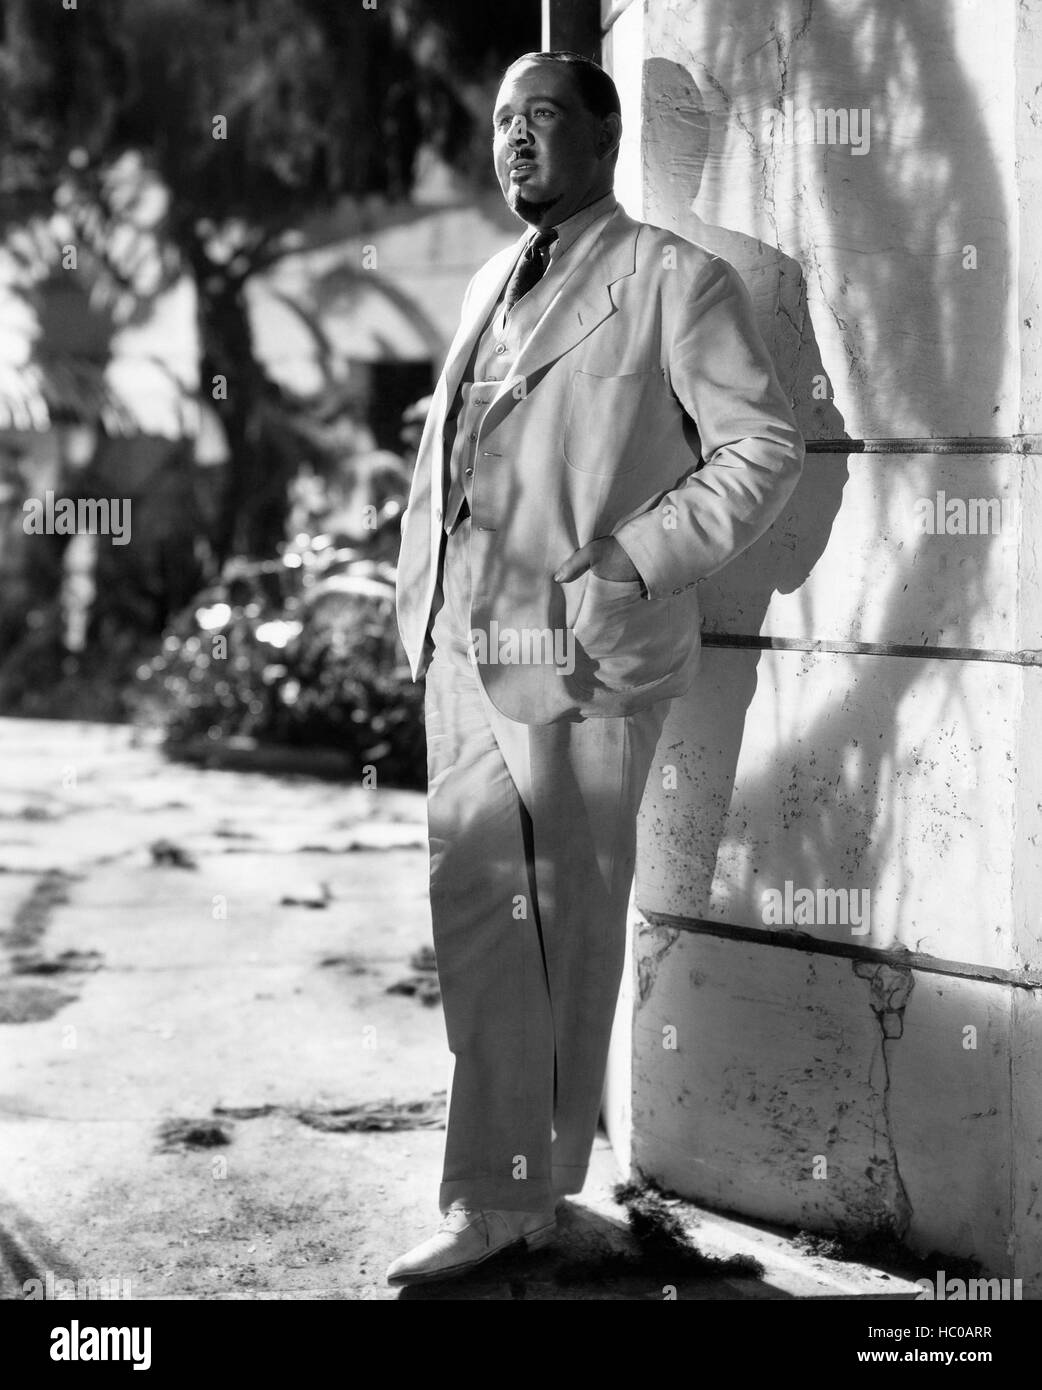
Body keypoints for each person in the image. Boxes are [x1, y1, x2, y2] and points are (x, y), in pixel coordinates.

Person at [388, 49, 804, 1286]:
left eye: (544, 116)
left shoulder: (676, 280)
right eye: (504, 119)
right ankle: (496, 1186)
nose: (516, 138)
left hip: (578, 652)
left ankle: (513, 1195)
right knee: (474, 913)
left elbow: (761, 444)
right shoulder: (483, 283)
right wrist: (417, 603)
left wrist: (628, 561)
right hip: (465, 647)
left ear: (605, 135)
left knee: (560, 925)